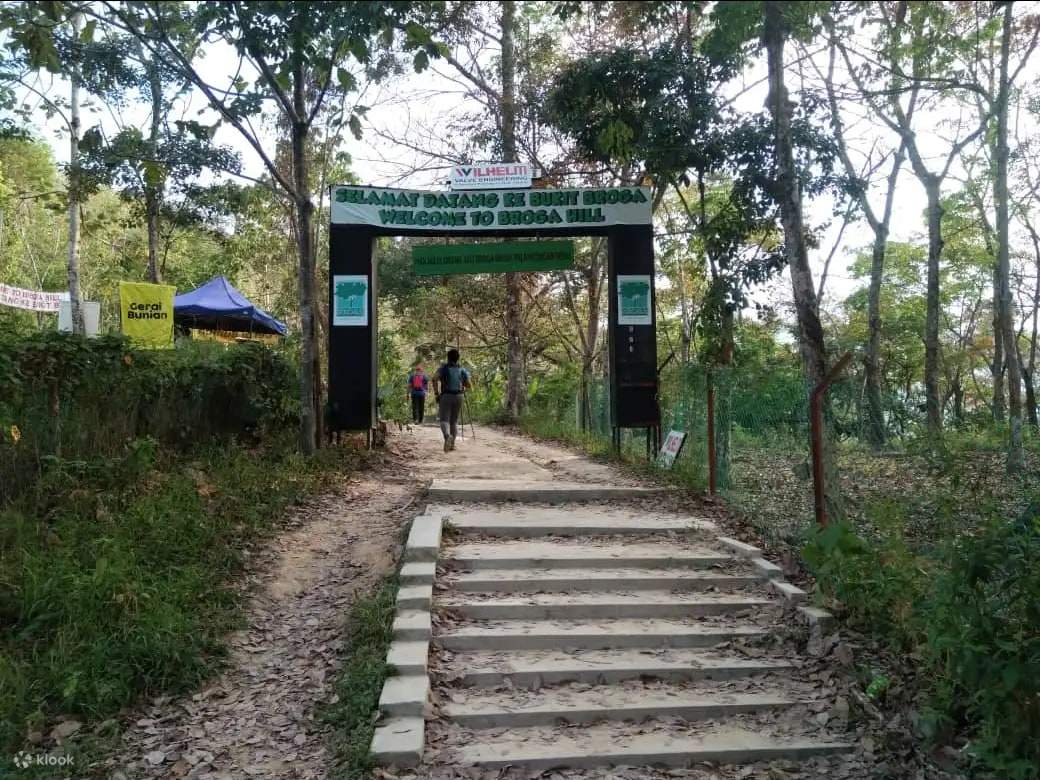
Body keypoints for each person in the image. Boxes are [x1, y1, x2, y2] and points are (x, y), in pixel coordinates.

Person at [433, 348, 471, 452]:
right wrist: (463, 385)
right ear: (458, 358)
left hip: (446, 395)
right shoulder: (462, 369)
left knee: (444, 419)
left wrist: (436, 393)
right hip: (459, 396)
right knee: (454, 421)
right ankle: (452, 444)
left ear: (448, 358)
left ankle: (447, 436)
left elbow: (434, 378)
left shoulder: (443, 368)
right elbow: (469, 385)